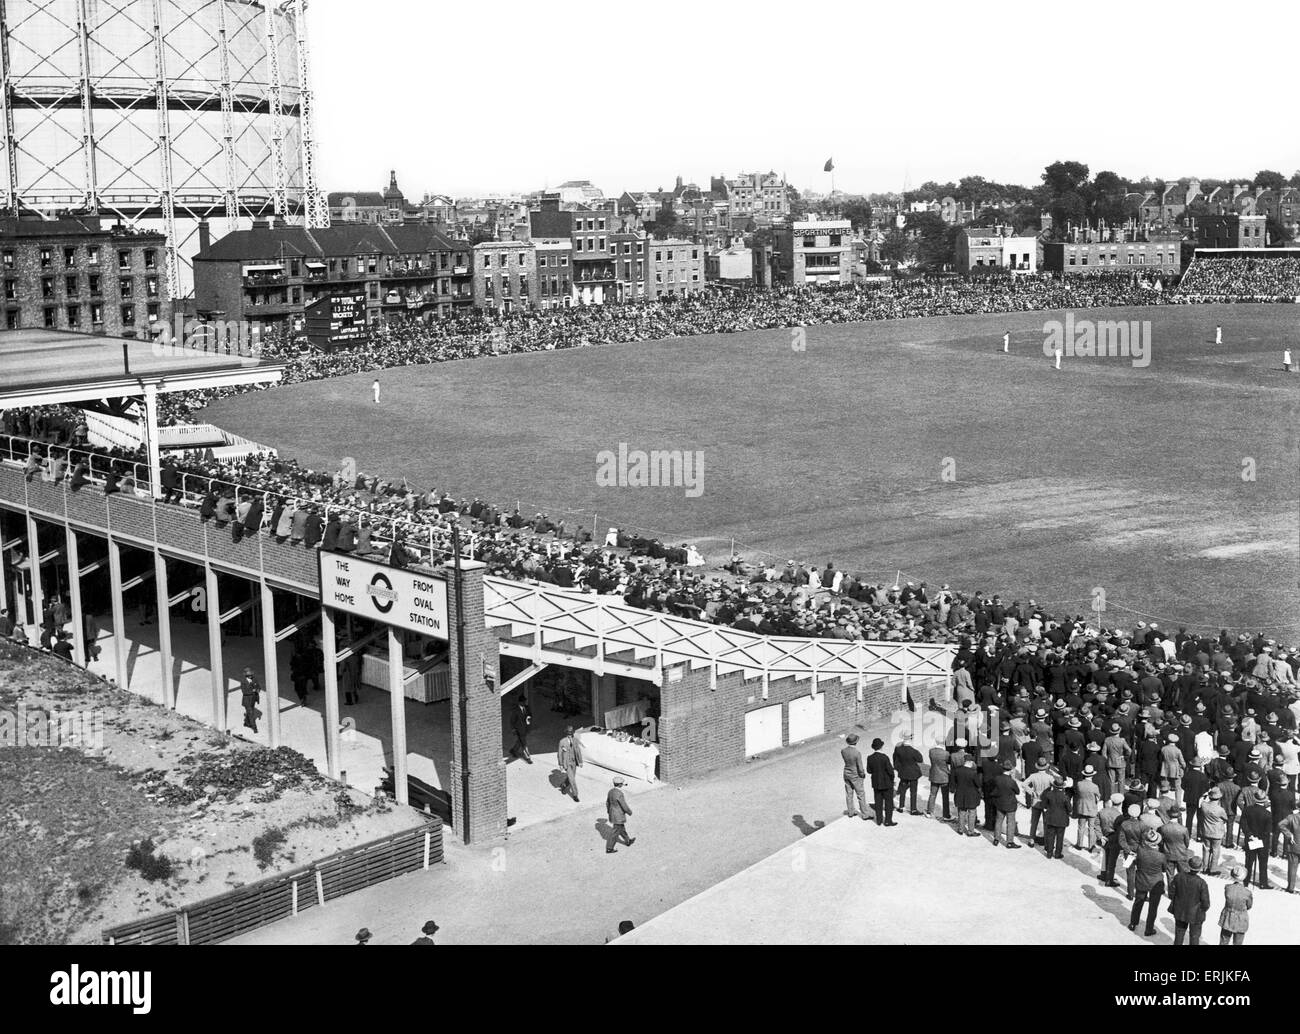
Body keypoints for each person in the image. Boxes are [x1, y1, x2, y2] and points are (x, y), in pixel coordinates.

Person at [1128, 827, 1167, 935]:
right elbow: (1164, 869)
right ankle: (1149, 929)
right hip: (1156, 883)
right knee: (1153, 907)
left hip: (1142, 880)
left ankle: (1133, 923)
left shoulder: (1140, 851)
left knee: (1138, 903)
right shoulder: (1161, 856)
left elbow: (1136, 861)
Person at [1168, 856, 1211, 945]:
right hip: (1195, 914)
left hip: (1180, 911)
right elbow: (1206, 903)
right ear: (1199, 868)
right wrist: (1202, 910)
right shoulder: (1201, 883)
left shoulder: (1178, 877)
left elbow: (1171, 892)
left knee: (1179, 935)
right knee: (1194, 937)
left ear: (1189, 865)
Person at [1239, 787, 1273, 889]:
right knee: (1263, 863)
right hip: (1262, 842)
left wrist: (1250, 835)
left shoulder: (1247, 810)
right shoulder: (1268, 814)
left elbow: (1243, 824)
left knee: (1249, 861)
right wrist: (1259, 839)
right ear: (1265, 800)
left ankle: (1246, 881)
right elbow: (1267, 831)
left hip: (1250, 840)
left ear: (1255, 798)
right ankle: (1263, 883)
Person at [1217, 867, 1252, 945]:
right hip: (1241, 919)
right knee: (1238, 942)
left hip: (1227, 917)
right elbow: (1249, 905)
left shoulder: (1228, 888)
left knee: (1224, 941)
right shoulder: (1247, 893)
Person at [992, 759, 1023, 848]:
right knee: (1010, 823)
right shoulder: (1011, 781)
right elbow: (1017, 792)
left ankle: (996, 839)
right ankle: (1009, 842)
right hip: (1010, 804)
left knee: (998, 821)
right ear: (1010, 770)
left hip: (1000, 803)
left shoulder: (997, 778)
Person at [866, 737, 896, 826]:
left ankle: (879, 820)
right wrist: (892, 780)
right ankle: (888, 820)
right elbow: (891, 771)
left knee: (878, 802)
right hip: (886, 784)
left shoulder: (870, 758)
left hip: (876, 783)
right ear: (881, 747)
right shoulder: (885, 757)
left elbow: (869, 771)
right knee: (888, 803)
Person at [893, 731, 924, 815]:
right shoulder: (913, 750)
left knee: (902, 790)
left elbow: (895, 759)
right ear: (910, 739)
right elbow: (920, 759)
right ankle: (913, 809)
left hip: (903, 772)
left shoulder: (899, 749)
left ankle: (901, 807)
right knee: (913, 791)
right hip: (913, 773)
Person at [1199, 785, 1227, 876]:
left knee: (1206, 849)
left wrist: (1204, 795)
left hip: (1206, 831)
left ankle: (1204, 867)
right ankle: (1213, 869)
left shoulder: (1204, 805)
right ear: (1219, 798)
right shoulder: (1220, 810)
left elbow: (1200, 801)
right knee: (1215, 850)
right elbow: (1226, 819)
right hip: (1217, 833)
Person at [1041, 774, 1071, 860]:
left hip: (1050, 818)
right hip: (1062, 820)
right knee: (1060, 838)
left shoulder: (1048, 794)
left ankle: (1049, 853)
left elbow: (1044, 805)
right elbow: (1069, 809)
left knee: (1050, 836)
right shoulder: (1065, 797)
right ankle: (1057, 854)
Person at [841, 733, 869, 820]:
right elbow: (860, 766)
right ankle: (864, 813)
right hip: (855, 774)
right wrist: (863, 774)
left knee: (849, 793)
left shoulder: (843, 751)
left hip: (846, 772)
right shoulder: (857, 753)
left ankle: (851, 811)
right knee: (860, 794)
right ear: (856, 742)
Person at [605, 777, 635, 854]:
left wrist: (609, 811)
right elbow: (623, 805)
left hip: (612, 813)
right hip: (618, 815)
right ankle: (609, 848)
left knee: (621, 828)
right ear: (620, 785)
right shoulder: (619, 794)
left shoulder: (610, 791)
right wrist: (629, 812)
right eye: (622, 784)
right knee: (616, 832)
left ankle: (628, 840)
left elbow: (607, 803)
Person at [952, 757, 981, 837]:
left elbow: (953, 782)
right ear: (971, 762)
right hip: (971, 795)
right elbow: (978, 784)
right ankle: (970, 831)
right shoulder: (973, 772)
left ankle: (960, 829)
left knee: (961, 812)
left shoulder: (957, 770)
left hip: (960, 794)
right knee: (972, 813)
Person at [926, 738, 951, 821]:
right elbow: (948, 762)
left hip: (934, 774)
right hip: (944, 776)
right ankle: (946, 814)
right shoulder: (946, 753)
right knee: (945, 796)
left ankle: (930, 812)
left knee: (932, 794)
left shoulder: (931, 751)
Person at [1277, 807, 1300, 894]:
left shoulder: (1291, 817)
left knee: (1292, 868)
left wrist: (1289, 834)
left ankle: (1290, 887)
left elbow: (1280, 824)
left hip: (1294, 846)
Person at [557, 726, 582, 802]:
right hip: (566, 763)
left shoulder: (575, 740)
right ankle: (575, 795)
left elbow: (578, 751)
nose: (570, 735)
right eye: (568, 734)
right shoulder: (562, 742)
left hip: (574, 762)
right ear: (566, 734)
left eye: (571, 734)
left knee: (571, 777)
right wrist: (561, 764)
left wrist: (580, 761)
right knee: (572, 779)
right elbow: (559, 753)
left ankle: (564, 785)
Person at [509, 695, 532, 763]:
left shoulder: (527, 708)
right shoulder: (516, 711)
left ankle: (514, 750)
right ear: (520, 702)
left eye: (525, 701)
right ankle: (528, 757)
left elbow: (530, 714)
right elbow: (512, 721)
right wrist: (513, 729)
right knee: (524, 743)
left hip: (525, 728)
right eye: (524, 701)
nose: (525, 702)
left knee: (520, 741)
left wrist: (528, 717)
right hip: (519, 730)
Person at [240, 666, 261, 733]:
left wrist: (257, 690)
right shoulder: (243, 682)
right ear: (246, 676)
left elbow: (259, 687)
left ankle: (246, 722)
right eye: (249, 675)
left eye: (251, 675)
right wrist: (253, 690)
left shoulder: (254, 679)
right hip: (247, 700)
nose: (250, 676)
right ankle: (254, 727)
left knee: (250, 712)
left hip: (253, 699)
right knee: (251, 713)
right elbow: (244, 692)